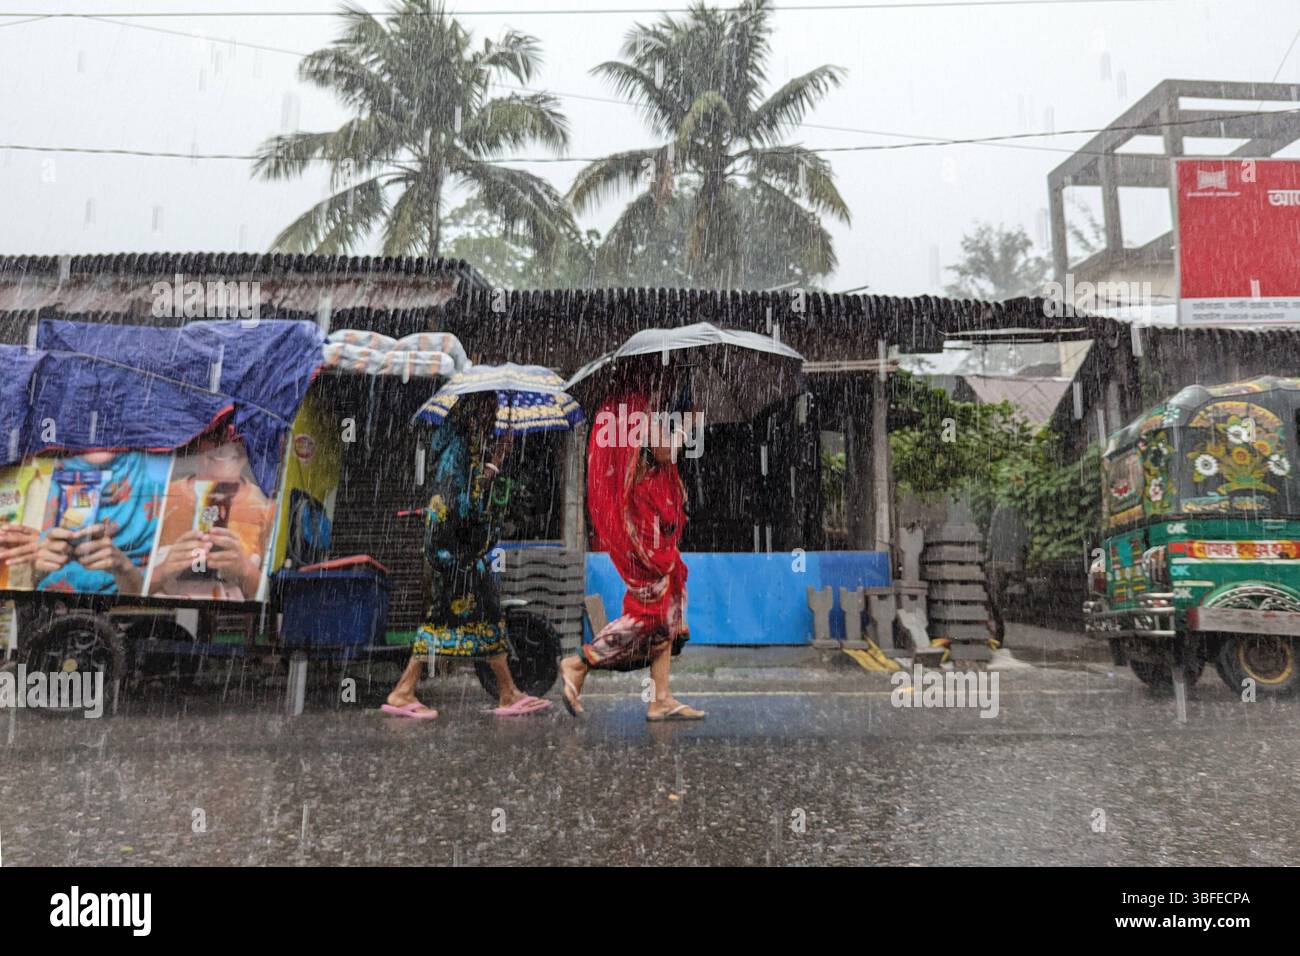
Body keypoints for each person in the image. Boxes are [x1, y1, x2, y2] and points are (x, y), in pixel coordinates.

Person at [383, 395, 551, 719]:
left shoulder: (469, 450)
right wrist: (490, 473)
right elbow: (459, 506)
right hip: (453, 556)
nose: (493, 416)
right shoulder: (457, 452)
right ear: (471, 412)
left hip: (463, 555)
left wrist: (493, 465)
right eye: (487, 409)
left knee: (482, 617)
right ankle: (404, 691)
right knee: (448, 619)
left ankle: (507, 692)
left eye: (495, 409)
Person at [559, 388, 705, 721]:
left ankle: (660, 697)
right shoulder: (636, 406)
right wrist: (687, 424)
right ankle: (580, 662)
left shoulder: (616, 408)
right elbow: (664, 452)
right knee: (651, 610)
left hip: (638, 517)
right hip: (642, 520)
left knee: (666, 607)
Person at [149, 427, 276, 601]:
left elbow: (275, 598)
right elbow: (124, 585)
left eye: (237, 435)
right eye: (214, 434)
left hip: (231, 621)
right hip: (167, 618)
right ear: (196, 440)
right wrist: (163, 570)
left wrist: (245, 570)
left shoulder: (266, 506)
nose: (225, 444)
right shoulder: (163, 497)